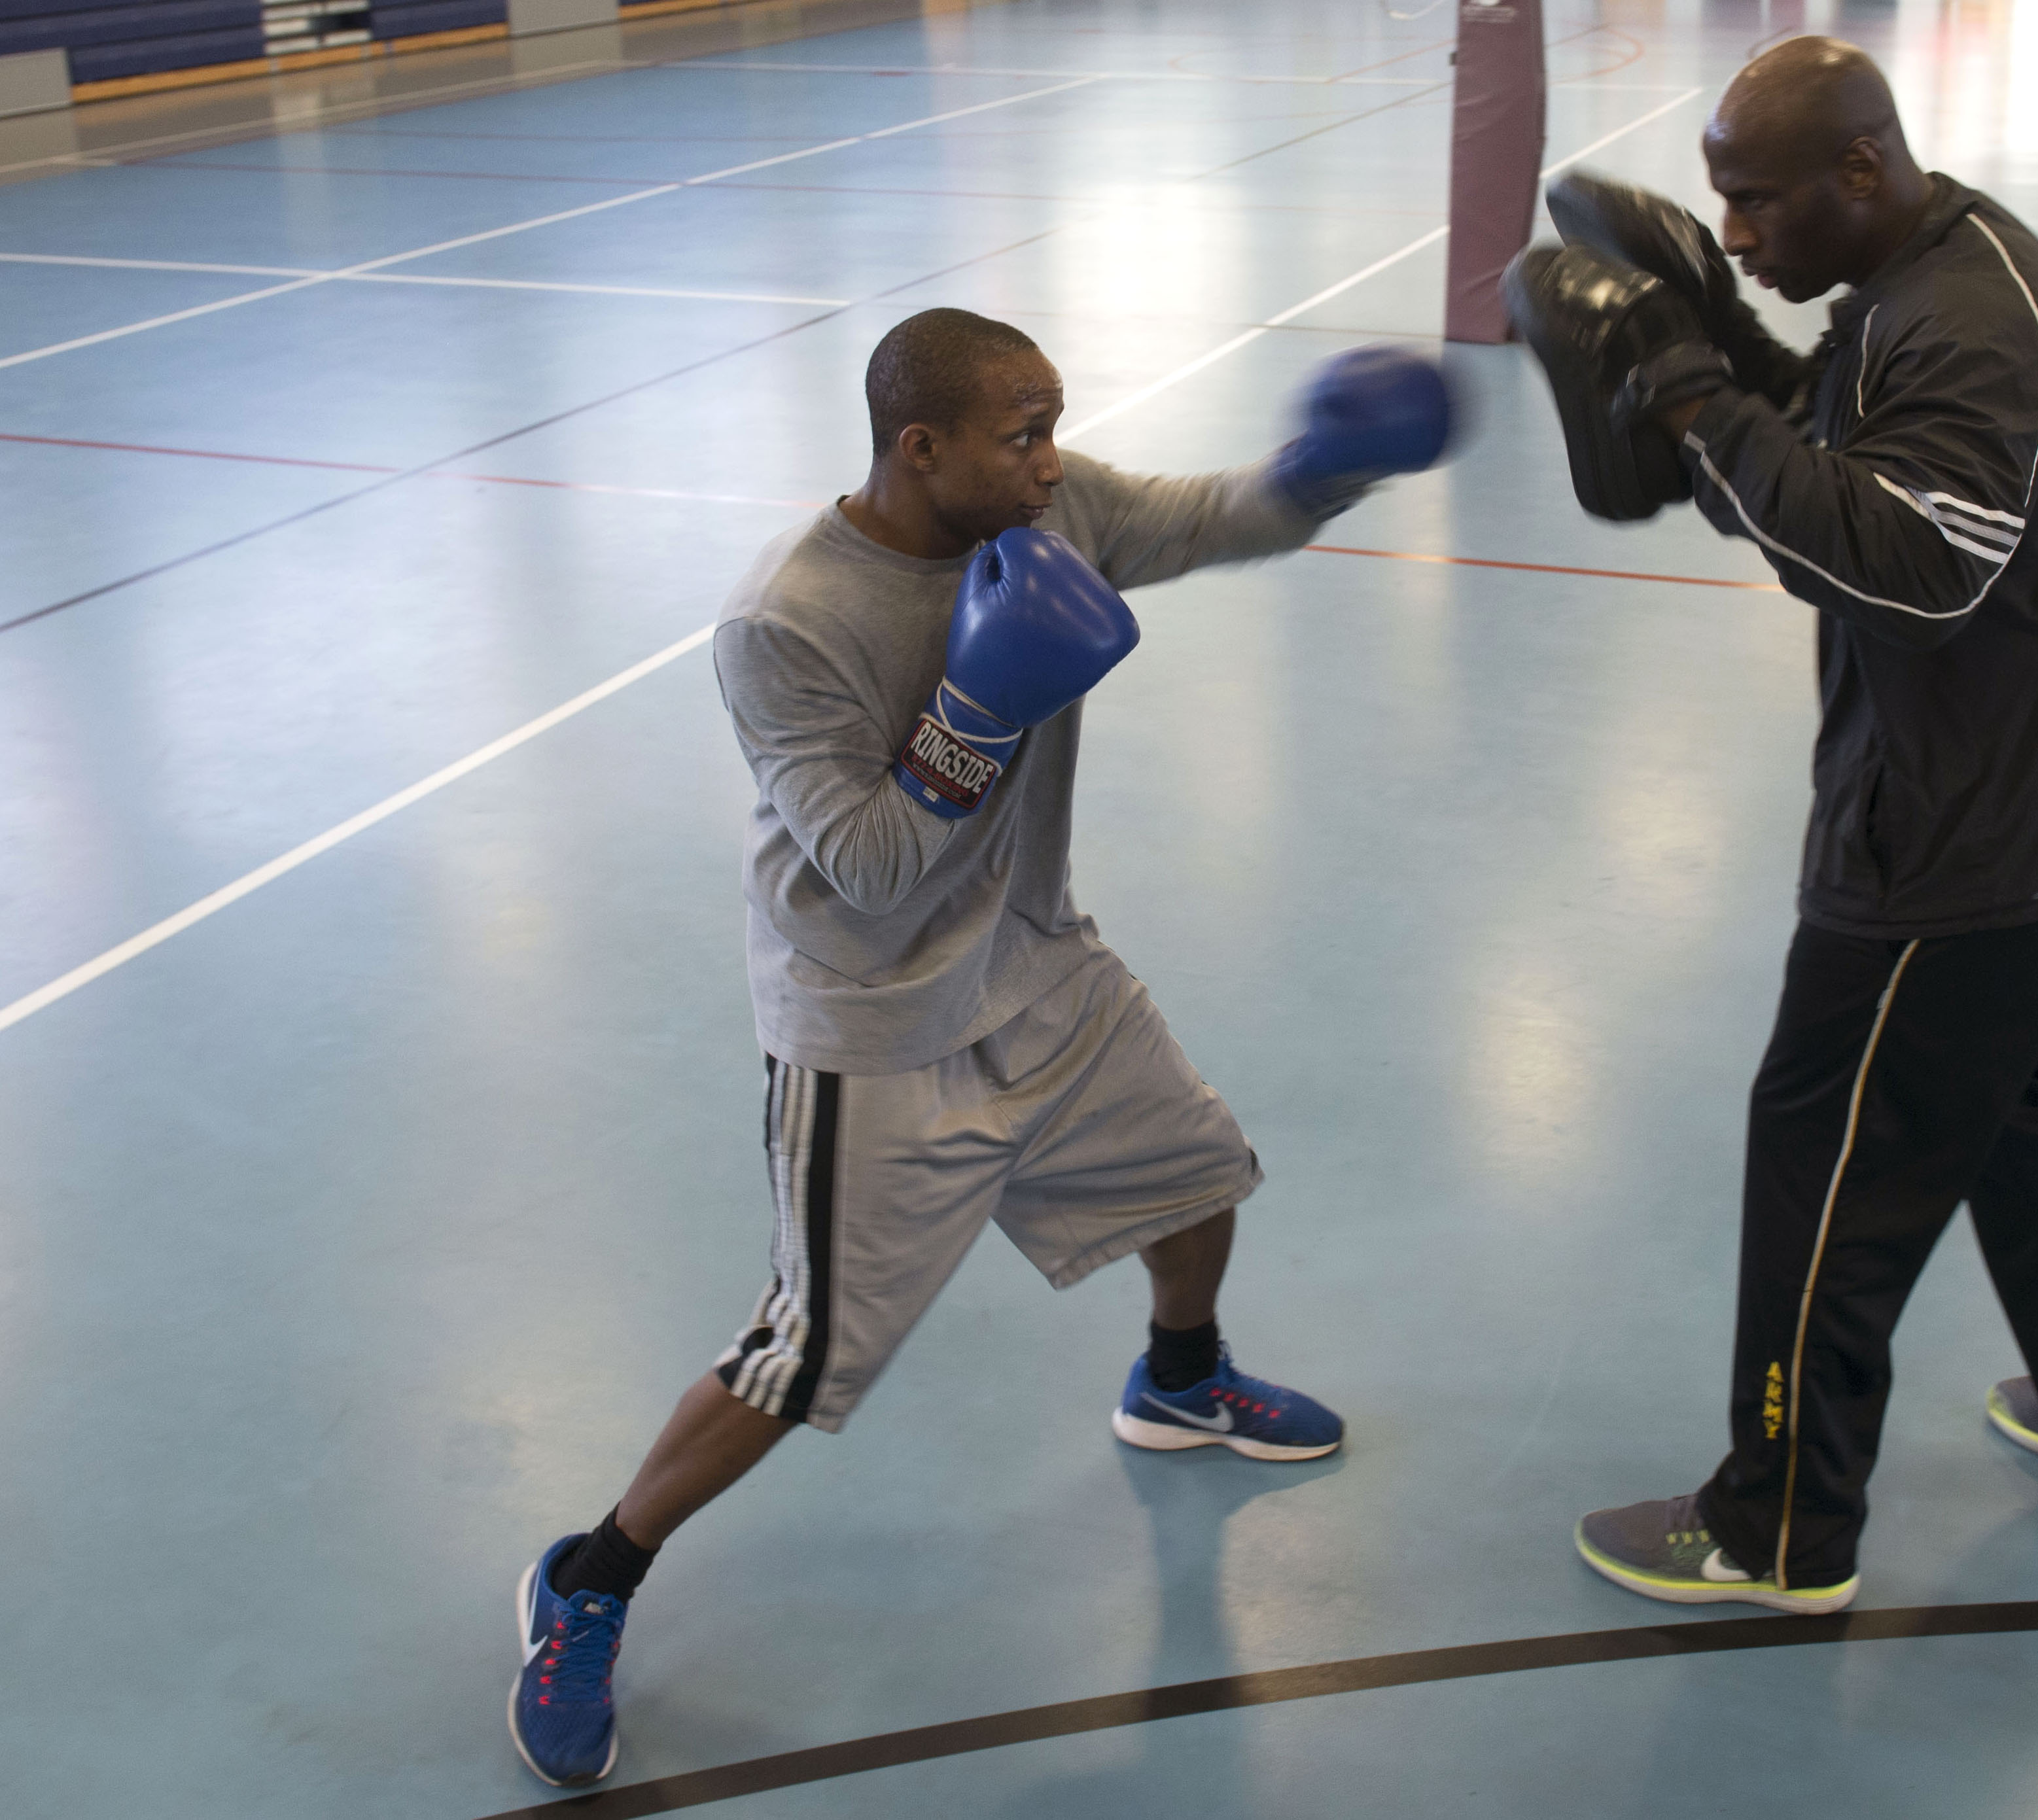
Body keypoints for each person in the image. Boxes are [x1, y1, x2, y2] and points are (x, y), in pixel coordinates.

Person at [506, 308, 1452, 1787]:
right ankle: (591, 1576)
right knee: (801, 1352)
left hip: (1038, 961)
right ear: (917, 446)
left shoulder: (1048, 507)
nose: (1050, 461)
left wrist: (1325, 467)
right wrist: (977, 704)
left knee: (1195, 1165)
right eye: (1021, 434)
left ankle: (1180, 1377)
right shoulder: (786, 621)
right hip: (873, 1021)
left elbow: (1214, 515)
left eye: (1053, 425)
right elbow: (874, 866)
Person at [1503, 38, 2038, 1615]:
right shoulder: (1923, 280)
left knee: (1827, 1159)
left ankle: (1774, 1523)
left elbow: (1910, 566)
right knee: (2026, 1091)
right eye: (1721, 209)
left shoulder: (1966, 330)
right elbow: (1837, 459)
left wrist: (1691, 391)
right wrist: (1727, 374)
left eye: (1754, 204)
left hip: (1964, 846)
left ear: (1856, 167)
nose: (1740, 237)